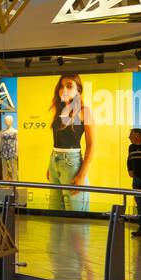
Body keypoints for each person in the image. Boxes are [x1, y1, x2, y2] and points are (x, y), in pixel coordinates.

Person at [44, 75, 94, 212]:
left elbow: (91, 145)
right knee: (53, 210)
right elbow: (58, 139)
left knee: (75, 213)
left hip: (72, 163)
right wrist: (52, 164)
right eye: (61, 86)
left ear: (78, 89)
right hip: (54, 161)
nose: (64, 89)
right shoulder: (58, 111)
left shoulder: (84, 111)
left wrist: (82, 176)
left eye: (69, 85)